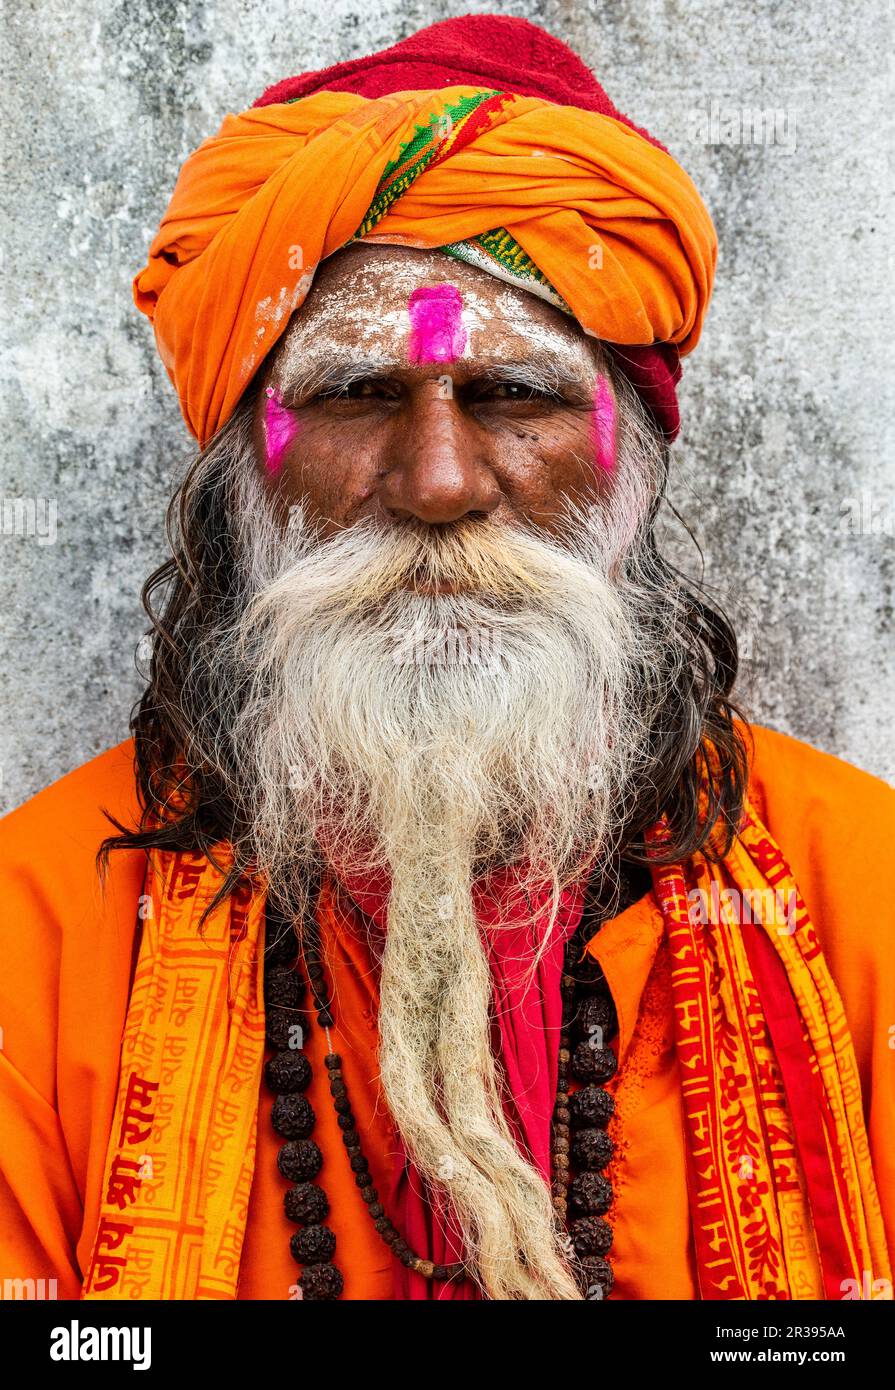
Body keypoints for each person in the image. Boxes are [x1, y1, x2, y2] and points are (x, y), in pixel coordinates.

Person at [0, 14, 891, 1302]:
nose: (435, 482)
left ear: (631, 465)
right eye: (358, 393)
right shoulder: (39, 928)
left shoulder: (865, 899)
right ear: (243, 468)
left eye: (515, 396)